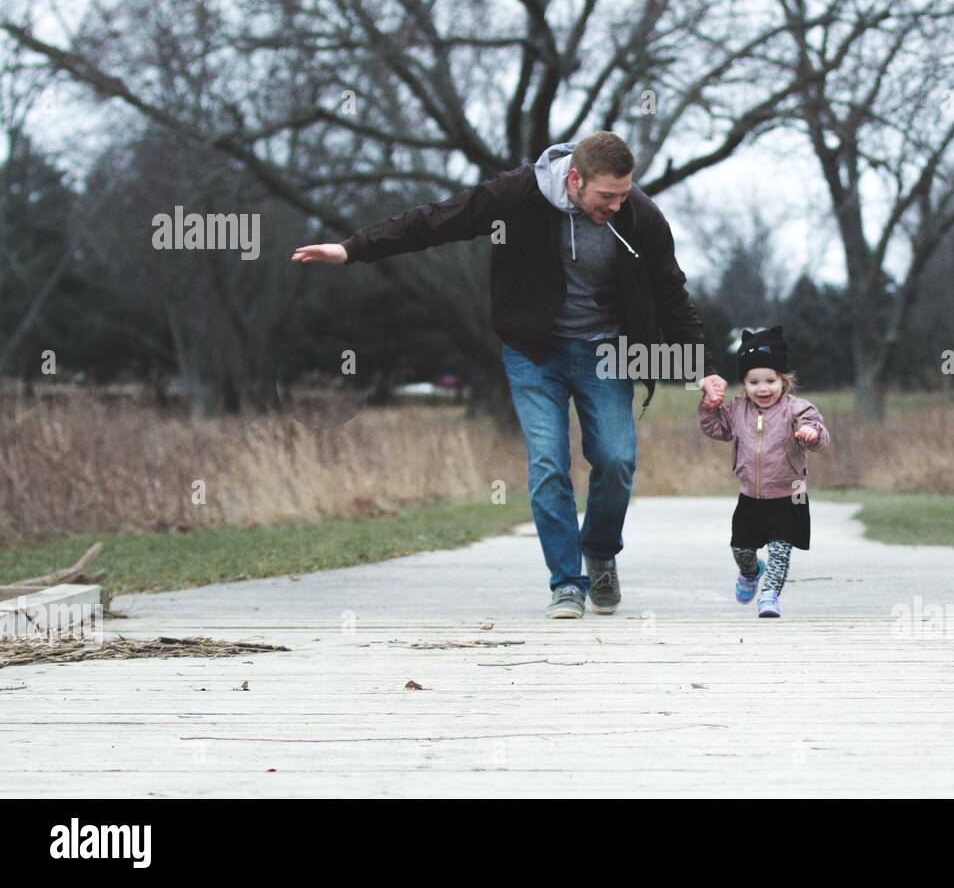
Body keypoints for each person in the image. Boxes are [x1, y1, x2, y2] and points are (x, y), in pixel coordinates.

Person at [291, 131, 728, 619]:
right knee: (548, 465)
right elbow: (438, 221)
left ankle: (601, 552)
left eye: (624, 194)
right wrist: (353, 249)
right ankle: (567, 582)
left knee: (616, 459)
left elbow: (671, 292)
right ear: (574, 178)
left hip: (607, 352)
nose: (616, 205)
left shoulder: (639, 215)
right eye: (607, 196)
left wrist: (703, 370)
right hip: (533, 351)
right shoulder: (516, 194)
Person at [698, 326, 829, 618]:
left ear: (784, 380)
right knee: (741, 549)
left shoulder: (798, 410)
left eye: (770, 380)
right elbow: (715, 428)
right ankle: (751, 570)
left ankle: (770, 596)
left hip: (790, 493)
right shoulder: (737, 410)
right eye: (753, 381)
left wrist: (811, 432)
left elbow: (821, 435)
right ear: (744, 383)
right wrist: (708, 408)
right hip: (750, 495)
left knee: (781, 551)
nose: (763, 388)